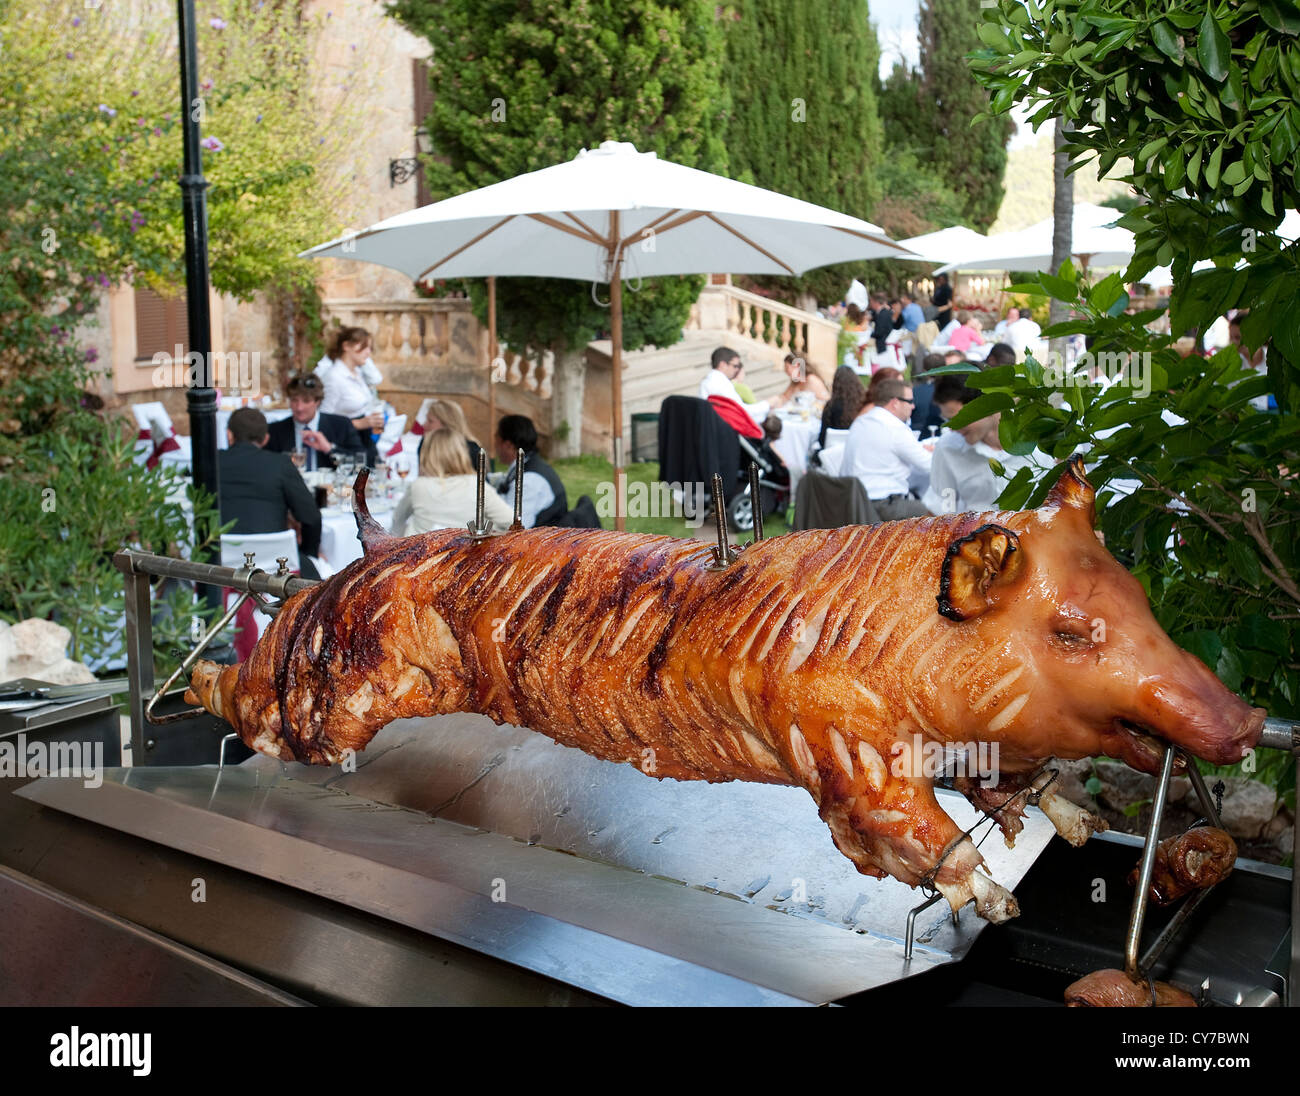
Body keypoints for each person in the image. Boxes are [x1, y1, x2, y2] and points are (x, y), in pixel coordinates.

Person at [219, 407, 322, 571]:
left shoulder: (212, 463)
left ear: (229, 435)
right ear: (266, 439)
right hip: (278, 568)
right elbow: (311, 518)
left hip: (219, 566)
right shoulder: (280, 464)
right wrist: (308, 554)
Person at [840, 378, 933, 520]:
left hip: (850, 503)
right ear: (895, 403)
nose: (913, 406)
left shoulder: (860, 422)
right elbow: (929, 465)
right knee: (939, 511)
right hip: (881, 507)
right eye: (909, 401)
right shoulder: (895, 428)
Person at [394, 426, 512, 535]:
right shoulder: (475, 484)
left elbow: (397, 519)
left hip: (422, 553)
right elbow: (510, 521)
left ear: (427, 455)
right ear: (462, 453)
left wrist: (398, 546)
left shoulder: (418, 485)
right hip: (464, 553)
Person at [921, 376, 1005, 514]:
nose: (953, 428)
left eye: (958, 419)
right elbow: (943, 509)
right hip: (976, 533)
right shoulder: (948, 448)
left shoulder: (1034, 439)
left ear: (987, 405)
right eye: (948, 420)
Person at [266, 374, 368, 471]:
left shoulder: (341, 425)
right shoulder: (275, 430)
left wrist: (329, 449)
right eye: (294, 400)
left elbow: (362, 462)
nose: (299, 407)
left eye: (306, 401)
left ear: (317, 401)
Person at [316, 325, 383, 465]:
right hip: (345, 444)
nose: (368, 353)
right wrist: (359, 424)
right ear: (346, 346)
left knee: (371, 480)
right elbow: (323, 420)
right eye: (364, 347)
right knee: (357, 483)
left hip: (364, 439)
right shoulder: (334, 377)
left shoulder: (358, 373)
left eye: (370, 348)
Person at [495, 414, 569, 528]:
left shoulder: (529, 480)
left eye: (497, 439)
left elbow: (515, 528)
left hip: (543, 543)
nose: (495, 445)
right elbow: (503, 480)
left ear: (508, 445)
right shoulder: (528, 465)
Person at [700, 346, 768, 423]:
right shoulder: (721, 384)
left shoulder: (709, 380)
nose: (737, 370)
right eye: (735, 366)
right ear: (722, 365)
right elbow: (743, 411)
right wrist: (768, 404)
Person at [419, 397, 486, 470]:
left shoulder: (472, 451)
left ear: (448, 424)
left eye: (430, 421)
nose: (424, 425)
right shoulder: (425, 445)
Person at [817, 366, 868, 448]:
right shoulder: (864, 404)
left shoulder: (831, 406)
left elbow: (822, 439)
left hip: (833, 454)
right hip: (858, 449)